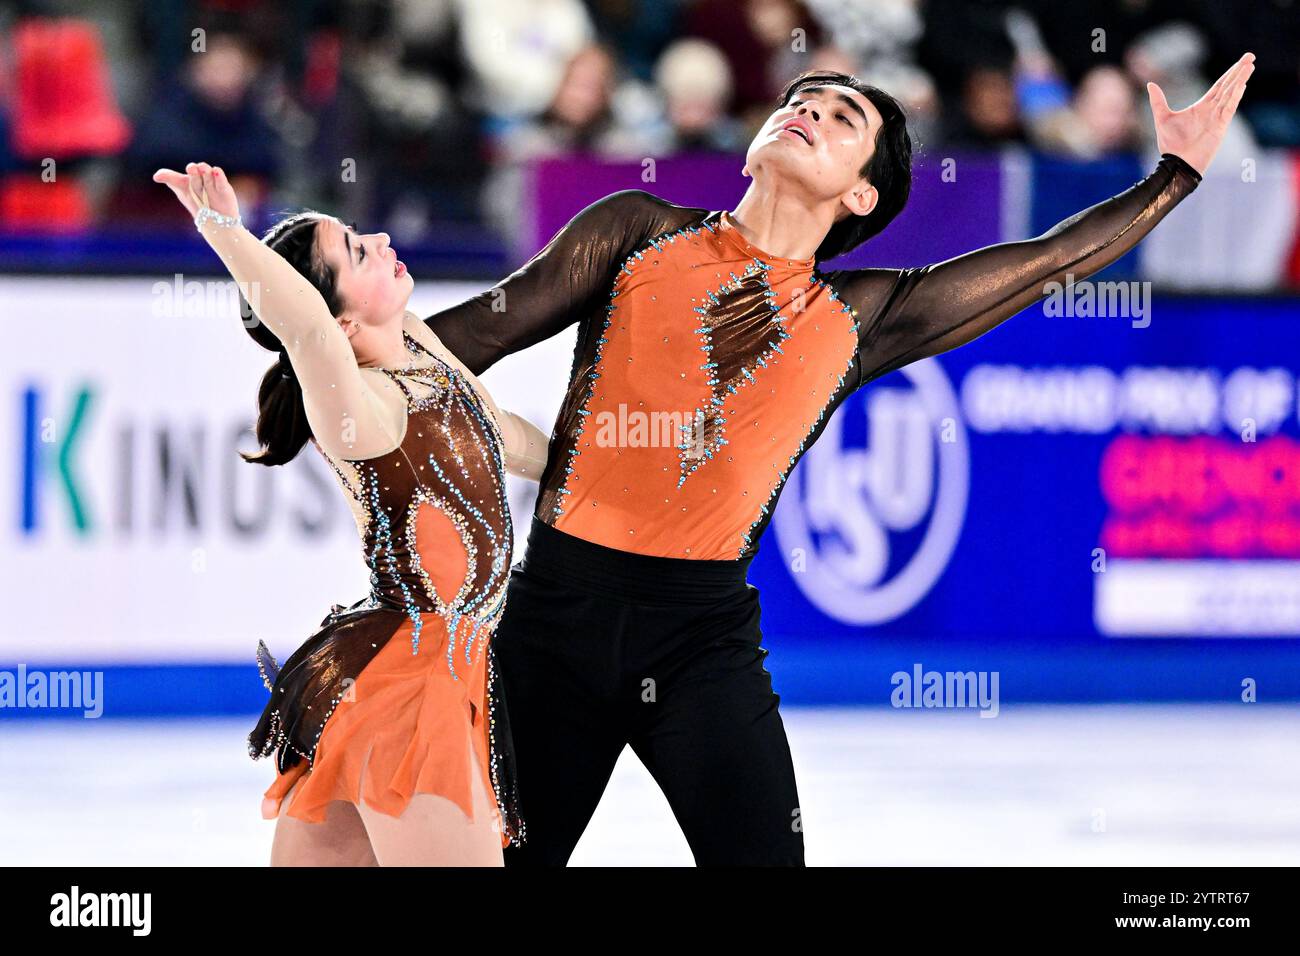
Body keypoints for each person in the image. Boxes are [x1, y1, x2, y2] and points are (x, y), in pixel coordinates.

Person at [418, 53, 1255, 866]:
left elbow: (1051, 262)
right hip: (550, 625)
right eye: (800, 99)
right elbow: (470, 338)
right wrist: (317, 344)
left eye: (840, 115)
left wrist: (1173, 175)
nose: (807, 110)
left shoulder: (859, 316)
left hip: (698, 647)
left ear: (863, 192)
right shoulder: (635, 229)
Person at [153, 161, 548, 866]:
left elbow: (509, 437)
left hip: (395, 683)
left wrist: (609, 466)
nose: (382, 236)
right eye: (356, 251)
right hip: (411, 696)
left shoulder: (423, 348)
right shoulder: (355, 412)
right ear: (338, 319)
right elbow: (302, 327)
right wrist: (223, 230)